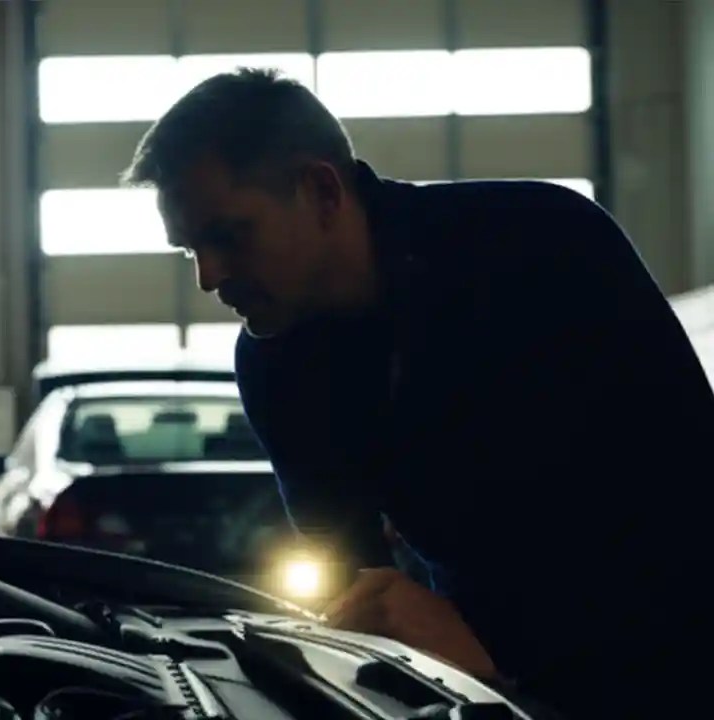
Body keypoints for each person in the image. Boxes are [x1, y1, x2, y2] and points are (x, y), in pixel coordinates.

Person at [121, 68, 712, 718]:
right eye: (190, 251)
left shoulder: (545, 245)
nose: (209, 278)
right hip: (470, 680)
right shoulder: (275, 361)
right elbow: (347, 569)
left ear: (321, 190)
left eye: (229, 235)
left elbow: (688, 498)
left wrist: (503, 648)